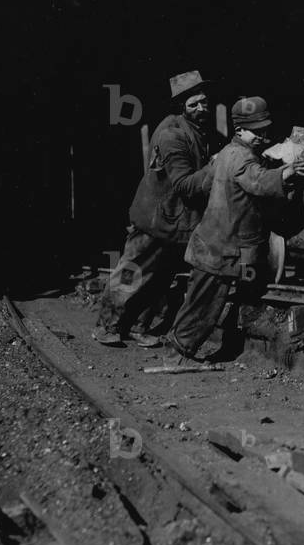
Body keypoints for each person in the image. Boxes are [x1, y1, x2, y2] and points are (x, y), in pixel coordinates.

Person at [166, 96, 304, 360]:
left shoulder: (226, 153)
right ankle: (177, 353)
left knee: (201, 298)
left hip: (212, 242)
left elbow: (211, 183)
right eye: (256, 131)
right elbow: (256, 181)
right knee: (204, 305)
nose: (262, 136)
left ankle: (180, 347)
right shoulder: (242, 158)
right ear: (239, 131)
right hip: (222, 247)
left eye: (264, 129)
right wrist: (286, 173)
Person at [92, 70, 217, 346]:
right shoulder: (172, 134)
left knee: (160, 279)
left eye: (204, 102)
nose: (201, 108)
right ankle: (106, 326)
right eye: (194, 104)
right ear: (181, 105)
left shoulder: (198, 130)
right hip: (154, 218)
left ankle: (138, 326)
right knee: (131, 272)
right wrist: (216, 167)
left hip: (176, 221)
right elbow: (184, 184)